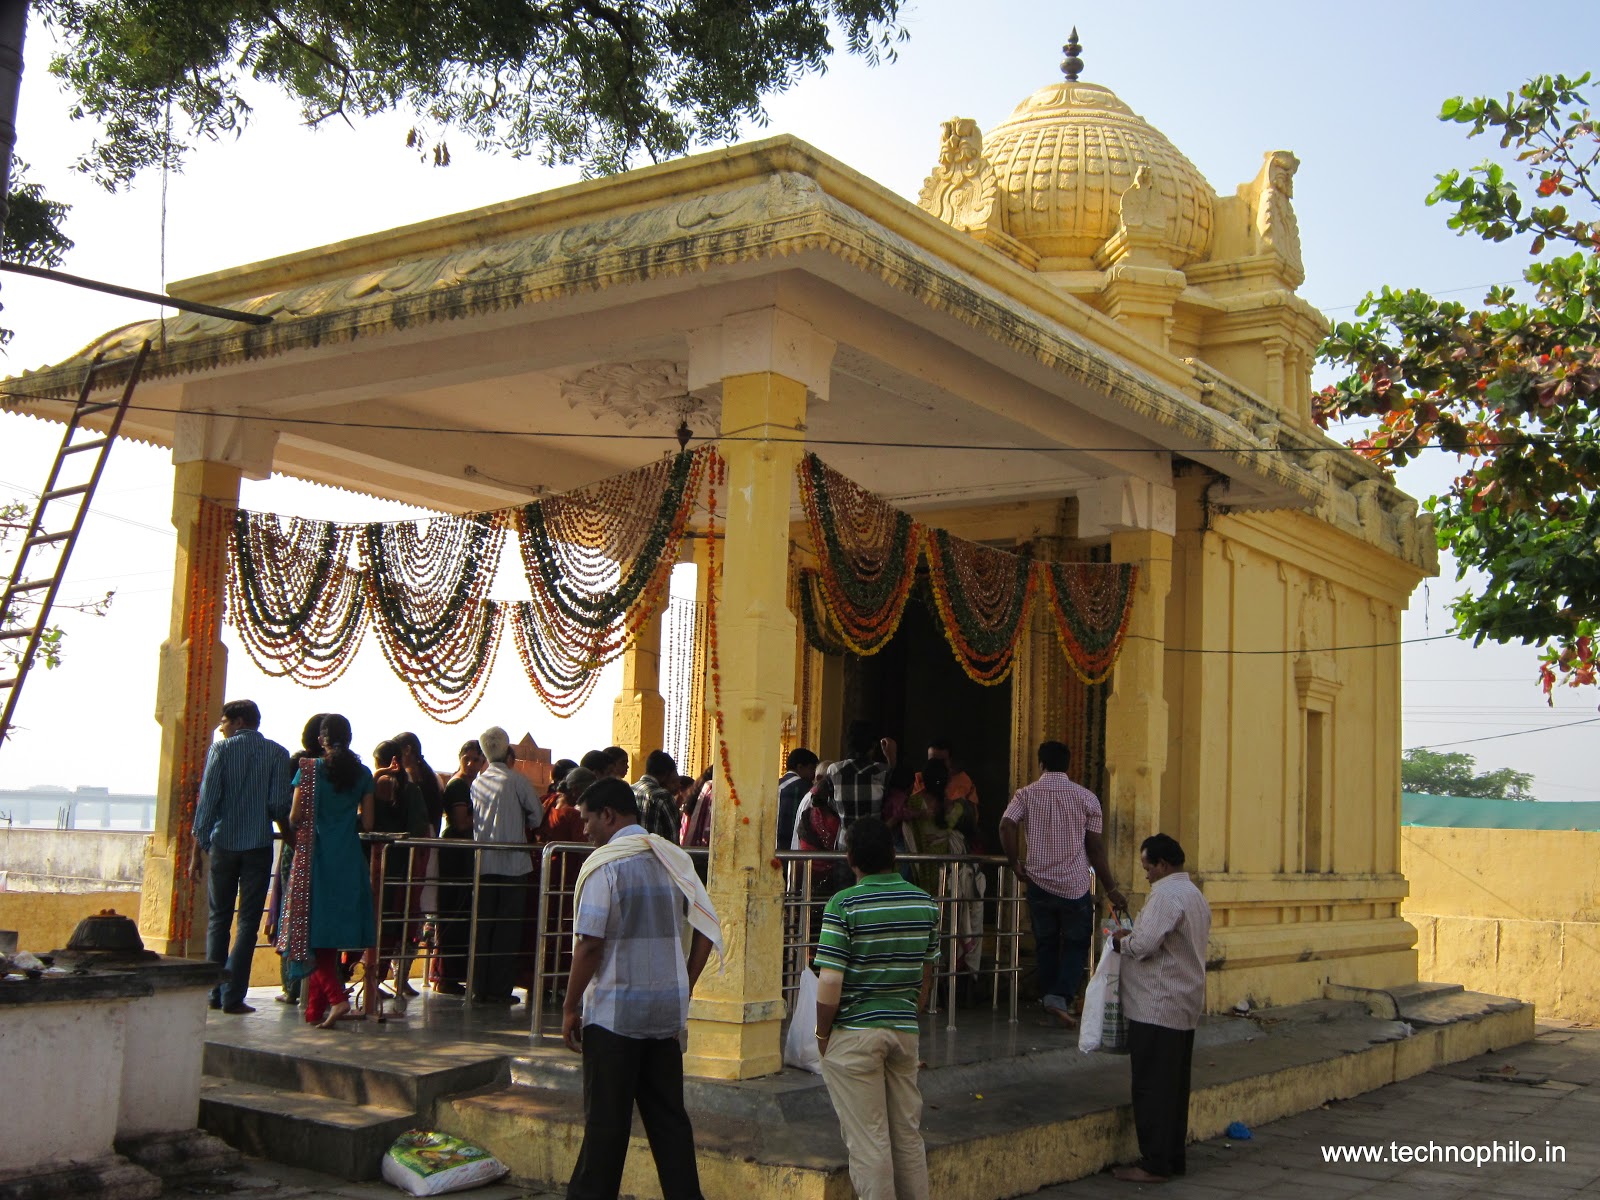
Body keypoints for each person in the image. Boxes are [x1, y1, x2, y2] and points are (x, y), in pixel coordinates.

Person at [562, 778, 720, 1200]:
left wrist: (569, 1006)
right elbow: (707, 925)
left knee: (606, 1128)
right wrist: (684, 982)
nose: (585, 830)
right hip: (665, 1013)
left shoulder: (605, 866)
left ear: (608, 815)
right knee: (669, 1123)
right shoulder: (669, 857)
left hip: (615, 1016)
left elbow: (590, 945)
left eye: (588, 819)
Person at [813, 816, 939, 1200]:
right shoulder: (924, 903)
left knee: (869, 1142)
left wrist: (821, 1035)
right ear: (894, 855)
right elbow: (926, 973)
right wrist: (908, 1013)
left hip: (854, 1033)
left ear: (851, 859)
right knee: (906, 1134)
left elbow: (830, 983)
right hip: (903, 1030)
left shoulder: (843, 904)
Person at [999, 740, 1127, 1027]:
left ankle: (1050, 998)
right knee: (1076, 943)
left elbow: (1006, 825)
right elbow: (1095, 848)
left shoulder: (1026, 794)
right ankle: (1060, 997)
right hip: (1074, 885)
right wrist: (1111, 888)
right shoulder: (1087, 798)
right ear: (1069, 765)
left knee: (1045, 943)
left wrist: (1014, 863)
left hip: (1039, 883)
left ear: (1040, 763)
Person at [1110, 834, 1211, 1184]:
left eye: (1148, 867)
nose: (1147, 874)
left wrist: (1120, 940)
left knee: (1151, 1086)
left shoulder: (1166, 895)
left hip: (1158, 1005)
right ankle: (1171, 1158)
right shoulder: (1194, 895)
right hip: (1184, 1003)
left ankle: (1154, 1163)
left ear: (1164, 865)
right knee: (1174, 1086)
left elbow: (1145, 944)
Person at [190, 698, 293, 1015]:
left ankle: (212, 991)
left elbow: (207, 804)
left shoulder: (220, 751)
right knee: (248, 922)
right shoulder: (277, 753)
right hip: (258, 845)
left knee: (218, 918)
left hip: (223, 844)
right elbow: (278, 805)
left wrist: (199, 850)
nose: (220, 728)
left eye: (223, 722)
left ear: (238, 721)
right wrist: (291, 839)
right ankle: (233, 995)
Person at [284, 713, 376, 1028]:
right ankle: (315, 1012)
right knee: (328, 938)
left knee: (310, 935)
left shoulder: (309, 771)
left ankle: (337, 1000)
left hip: (317, 858)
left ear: (322, 739)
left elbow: (295, 815)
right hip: (348, 858)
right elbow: (369, 823)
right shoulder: (363, 773)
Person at [469, 725, 543, 1003]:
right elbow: (536, 816)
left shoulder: (477, 783)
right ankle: (499, 990)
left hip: (484, 864)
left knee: (483, 928)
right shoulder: (517, 781)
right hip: (513, 865)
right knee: (506, 930)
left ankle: (479, 987)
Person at [267, 712, 326, 1006]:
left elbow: (288, 812)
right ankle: (308, 985)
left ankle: (293, 986)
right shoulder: (323, 767)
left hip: (296, 847)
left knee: (292, 912)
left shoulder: (305, 766)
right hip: (317, 849)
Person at [433, 739, 485, 996]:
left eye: (476, 759)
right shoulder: (457, 786)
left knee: (463, 914)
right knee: (453, 913)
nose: (471, 763)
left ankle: (453, 973)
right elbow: (462, 822)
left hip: (464, 854)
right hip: (455, 853)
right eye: (468, 757)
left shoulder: (470, 785)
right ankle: (446, 975)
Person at [827, 721, 897, 836]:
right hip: (874, 840)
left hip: (845, 843)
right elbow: (892, 802)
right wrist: (891, 757)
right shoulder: (883, 771)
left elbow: (830, 803)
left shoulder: (834, 770)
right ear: (873, 745)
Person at [394, 731, 445, 836]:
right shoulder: (435, 777)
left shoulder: (406, 777)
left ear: (407, 750)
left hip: (411, 836)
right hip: (430, 836)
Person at [632, 749, 680, 843]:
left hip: (631, 852)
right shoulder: (663, 796)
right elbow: (673, 837)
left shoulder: (630, 789)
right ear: (667, 774)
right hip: (655, 854)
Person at [777, 748, 819, 850]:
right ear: (800, 767)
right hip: (792, 847)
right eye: (812, 769)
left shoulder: (776, 784)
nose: (814, 775)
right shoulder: (805, 788)